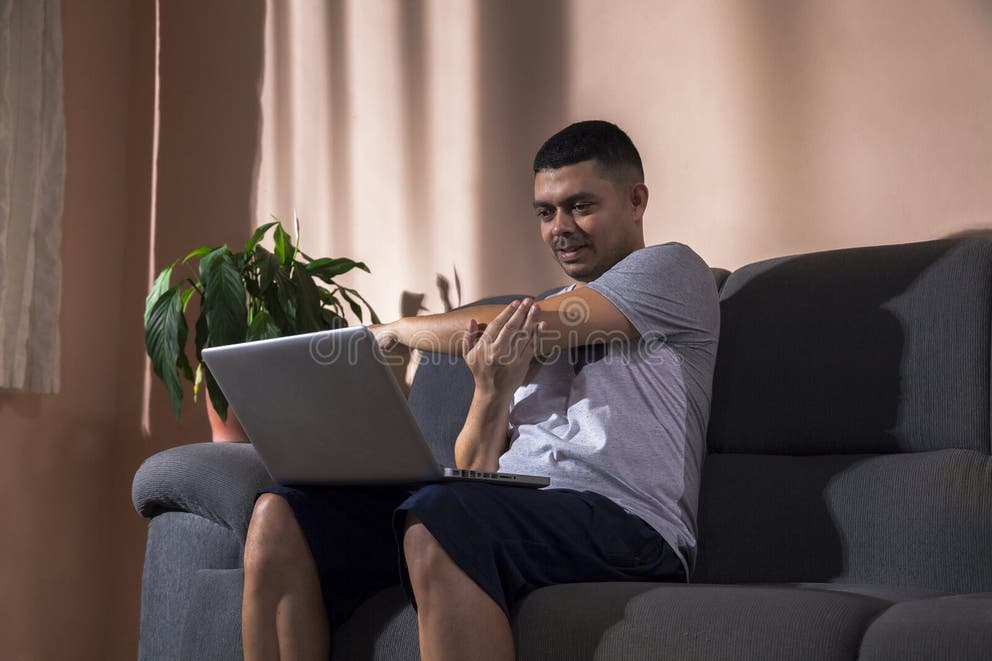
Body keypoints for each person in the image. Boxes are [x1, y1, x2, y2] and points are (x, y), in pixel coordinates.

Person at [240, 120, 720, 660]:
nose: (560, 228)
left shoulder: (669, 272)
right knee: (282, 518)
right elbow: (476, 471)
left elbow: (544, 323)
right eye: (545, 212)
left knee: (442, 519)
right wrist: (491, 392)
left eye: (580, 206)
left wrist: (391, 332)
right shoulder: (530, 323)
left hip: (632, 527)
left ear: (636, 200)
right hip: (518, 511)